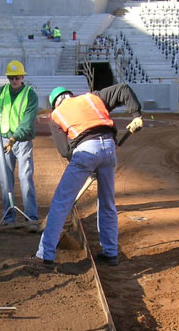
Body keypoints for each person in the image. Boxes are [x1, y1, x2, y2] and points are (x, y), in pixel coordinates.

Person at [31, 84, 143, 269]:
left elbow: (65, 151)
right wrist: (136, 115)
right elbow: (123, 88)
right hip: (109, 149)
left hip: (85, 151)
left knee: (61, 202)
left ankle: (45, 255)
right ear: (70, 95)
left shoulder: (57, 115)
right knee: (107, 203)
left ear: (55, 104)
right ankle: (110, 253)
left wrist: (86, 166)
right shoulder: (93, 97)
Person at [0, 60, 39, 227]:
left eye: (17, 77)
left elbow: (27, 121)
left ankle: (31, 218)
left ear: (22, 76)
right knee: (6, 180)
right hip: (4, 140)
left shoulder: (30, 95)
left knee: (25, 177)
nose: (14, 81)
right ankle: (9, 217)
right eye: (11, 77)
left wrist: (15, 138)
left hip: (22, 141)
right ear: (8, 77)